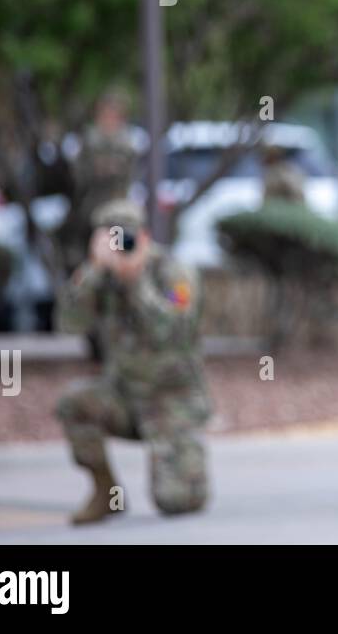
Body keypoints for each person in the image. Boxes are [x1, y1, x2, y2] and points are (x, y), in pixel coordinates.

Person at [55, 199, 211, 524]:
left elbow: (172, 331)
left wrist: (135, 281)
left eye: (125, 238)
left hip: (172, 403)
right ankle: (106, 493)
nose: (119, 246)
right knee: (74, 402)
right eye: (110, 238)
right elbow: (68, 323)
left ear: (144, 237)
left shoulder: (173, 272)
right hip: (125, 397)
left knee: (178, 501)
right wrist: (92, 271)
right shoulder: (101, 277)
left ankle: (178, 462)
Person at [60, 89, 139, 273]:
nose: (109, 119)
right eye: (106, 113)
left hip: (116, 215)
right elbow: (78, 176)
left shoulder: (126, 143)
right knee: (83, 260)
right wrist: (98, 169)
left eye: (114, 114)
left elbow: (128, 174)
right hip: (89, 212)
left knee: (121, 257)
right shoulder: (89, 141)